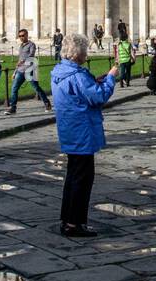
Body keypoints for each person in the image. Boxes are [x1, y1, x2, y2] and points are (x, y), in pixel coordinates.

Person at [50, 33, 117, 239]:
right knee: (83, 179)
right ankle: (74, 224)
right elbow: (98, 97)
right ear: (78, 53)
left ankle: (67, 219)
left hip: (70, 130)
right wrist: (112, 76)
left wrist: (95, 81)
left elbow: (80, 91)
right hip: (82, 131)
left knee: (73, 177)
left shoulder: (60, 72)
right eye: (85, 50)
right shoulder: (77, 75)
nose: (86, 54)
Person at [7, 28, 51, 113]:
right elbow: (19, 59)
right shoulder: (21, 46)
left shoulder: (32, 45)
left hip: (30, 69)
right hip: (20, 70)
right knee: (14, 88)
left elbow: (31, 55)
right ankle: (13, 107)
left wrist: (24, 60)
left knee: (36, 88)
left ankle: (46, 102)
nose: (21, 37)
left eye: (23, 35)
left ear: (27, 35)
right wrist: (15, 72)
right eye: (19, 36)